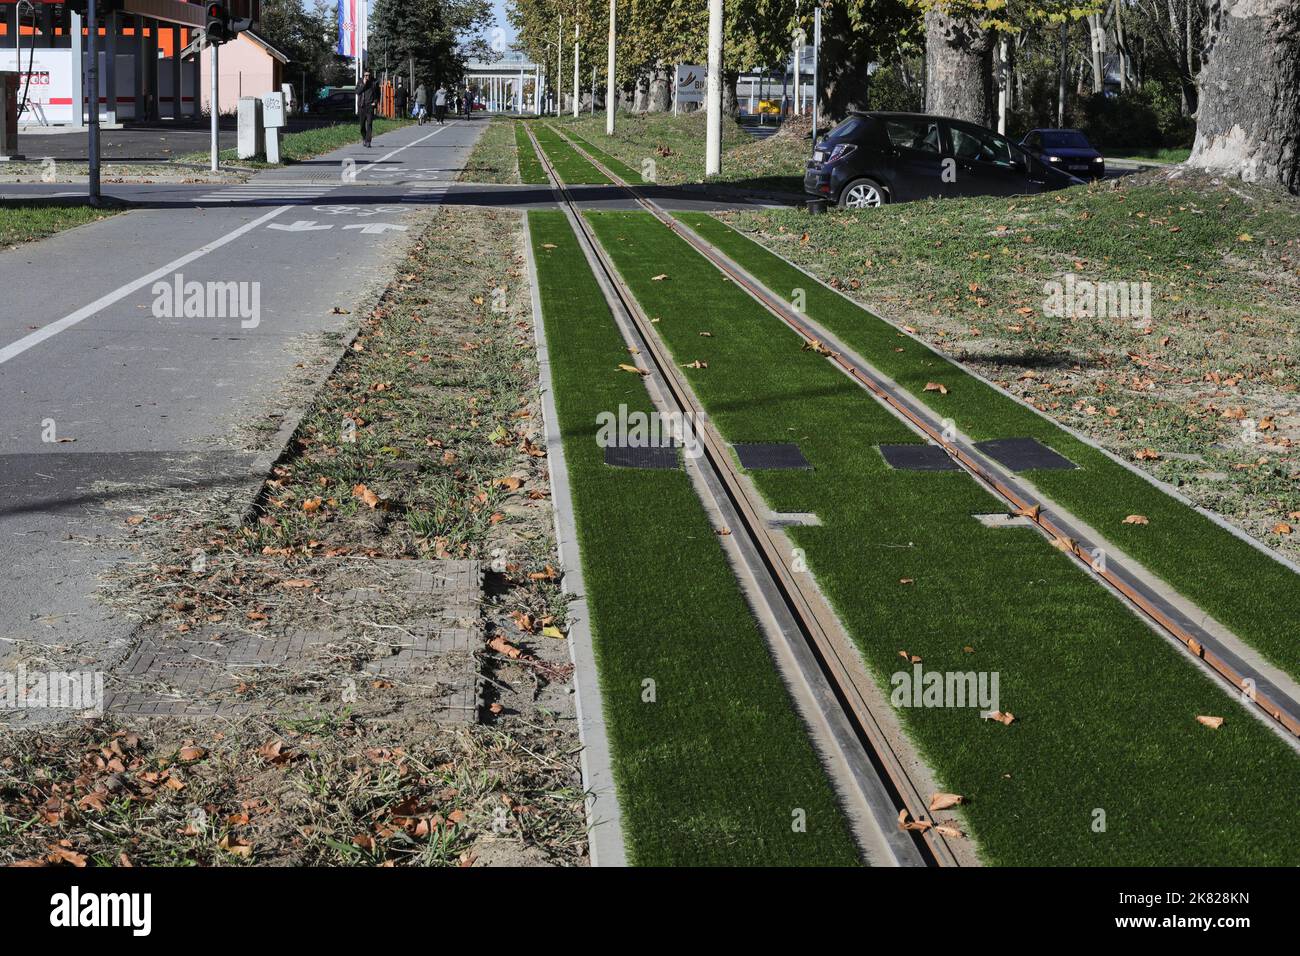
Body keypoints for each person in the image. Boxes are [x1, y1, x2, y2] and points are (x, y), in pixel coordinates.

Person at [357, 70, 377, 147]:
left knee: (369, 124)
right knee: (362, 125)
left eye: (369, 75)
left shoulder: (374, 83)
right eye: (366, 75)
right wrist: (363, 84)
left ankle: (368, 141)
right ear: (363, 76)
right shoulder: (360, 82)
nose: (367, 77)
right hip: (362, 106)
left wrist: (375, 102)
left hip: (370, 106)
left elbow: (377, 95)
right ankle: (364, 138)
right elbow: (357, 92)